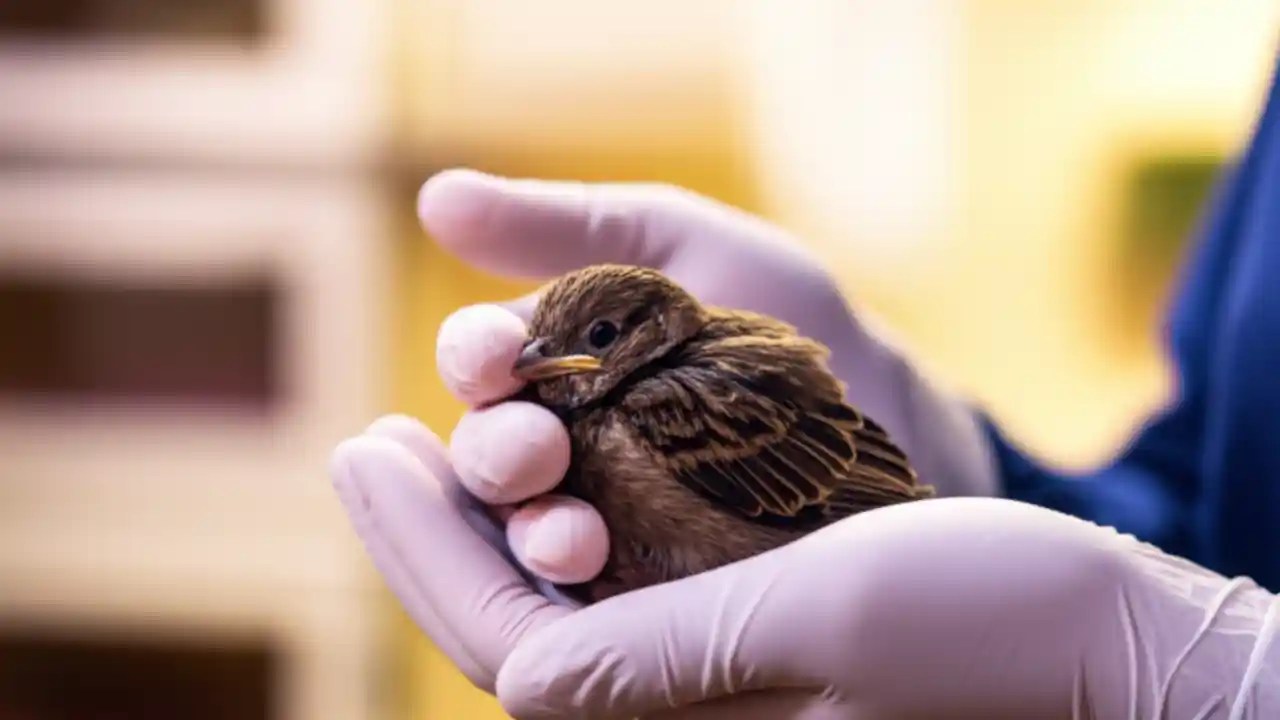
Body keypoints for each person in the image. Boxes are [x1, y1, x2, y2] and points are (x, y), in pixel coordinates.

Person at [329, 54, 1280, 718]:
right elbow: (1212, 483)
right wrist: (985, 478)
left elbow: (1138, 621)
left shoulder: (655, 408)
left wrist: (1225, 680)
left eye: (602, 341)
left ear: (649, 335)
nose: (551, 365)